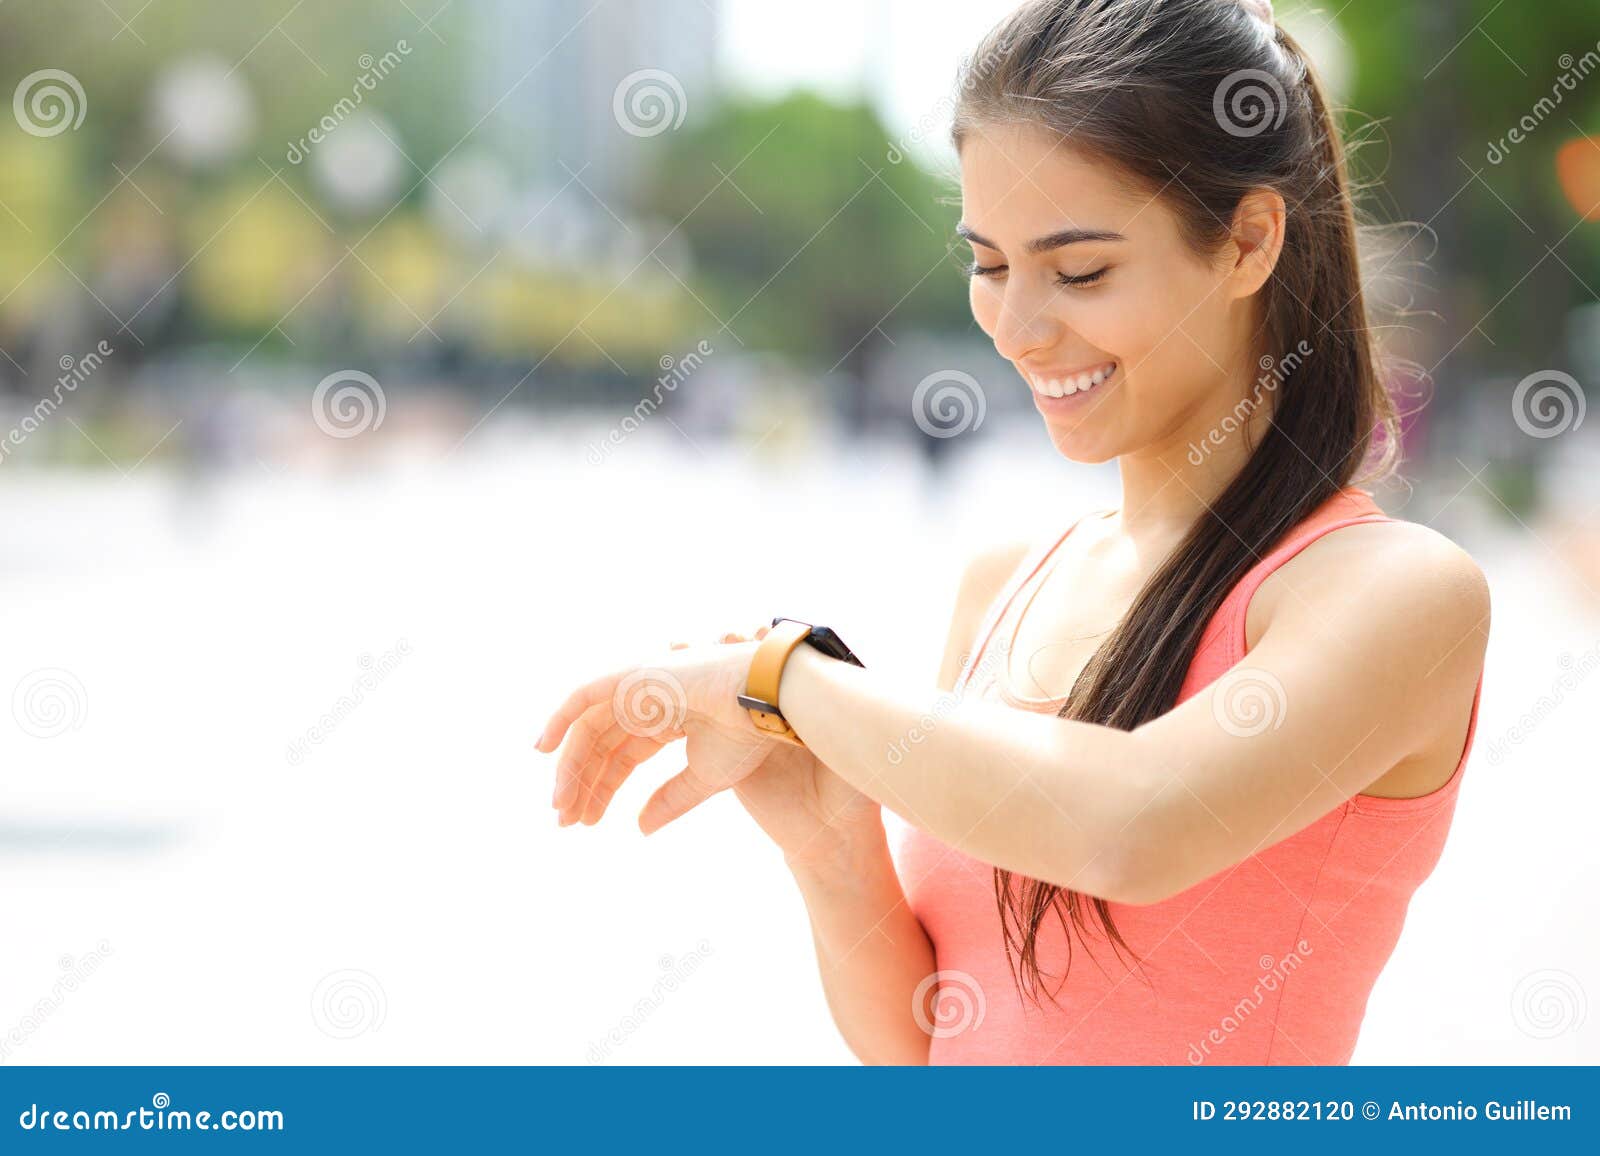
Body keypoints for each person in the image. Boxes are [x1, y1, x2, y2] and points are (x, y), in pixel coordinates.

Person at [537, 0, 1490, 1065]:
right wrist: (834, 844)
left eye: (1078, 272)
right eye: (990, 266)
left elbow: (1131, 829)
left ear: (1247, 241)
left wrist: (782, 678)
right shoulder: (1004, 586)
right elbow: (931, 1047)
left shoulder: (1396, 590)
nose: (1019, 330)